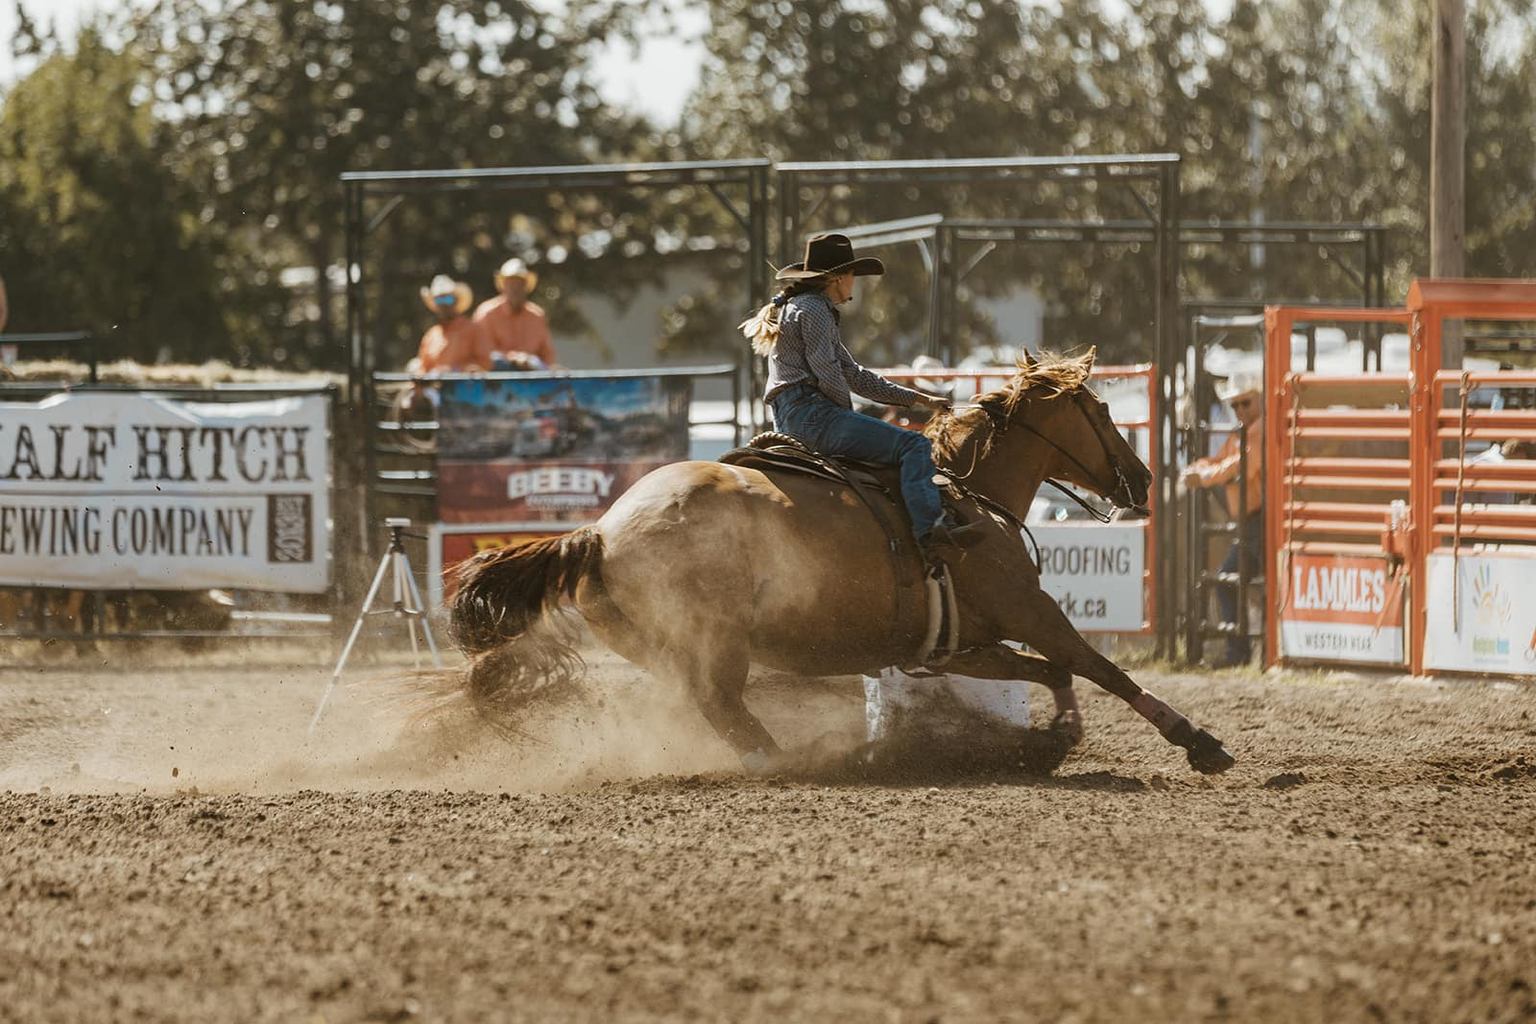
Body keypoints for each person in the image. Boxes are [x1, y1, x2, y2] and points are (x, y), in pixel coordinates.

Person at [740, 232, 974, 558]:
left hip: (794, 415)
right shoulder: (815, 310)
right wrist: (847, 415)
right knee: (914, 445)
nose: (854, 282)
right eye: (852, 275)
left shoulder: (801, 307)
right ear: (837, 278)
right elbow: (830, 373)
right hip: (814, 416)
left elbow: (856, 376)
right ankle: (930, 531)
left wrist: (920, 399)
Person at [1183, 372, 1264, 667]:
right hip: (1252, 523)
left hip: (1261, 521)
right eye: (1235, 406)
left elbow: (1241, 465)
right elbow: (1221, 461)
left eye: (1246, 403)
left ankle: (1244, 652)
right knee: (1231, 582)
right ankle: (1242, 653)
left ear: (1260, 400)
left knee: (1236, 581)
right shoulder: (1243, 432)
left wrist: (1201, 476)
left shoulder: (1258, 430)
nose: (1240, 411)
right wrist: (1198, 467)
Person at [473, 258, 557, 369]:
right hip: (496, 377)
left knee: (540, 365)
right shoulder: (487, 313)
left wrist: (530, 361)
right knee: (495, 359)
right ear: (503, 285)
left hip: (531, 375)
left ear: (526, 286)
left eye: (519, 283)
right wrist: (512, 358)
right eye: (511, 283)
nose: (515, 288)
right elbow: (481, 351)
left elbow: (547, 355)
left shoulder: (537, 315)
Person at [415, 274, 490, 374]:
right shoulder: (431, 335)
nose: (443, 304)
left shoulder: (473, 330)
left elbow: (485, 364)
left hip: (465, 387)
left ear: (456, 301)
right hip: (435, 387)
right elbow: (423, 369)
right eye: (439, 300)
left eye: (448, 299)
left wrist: (457, 370)